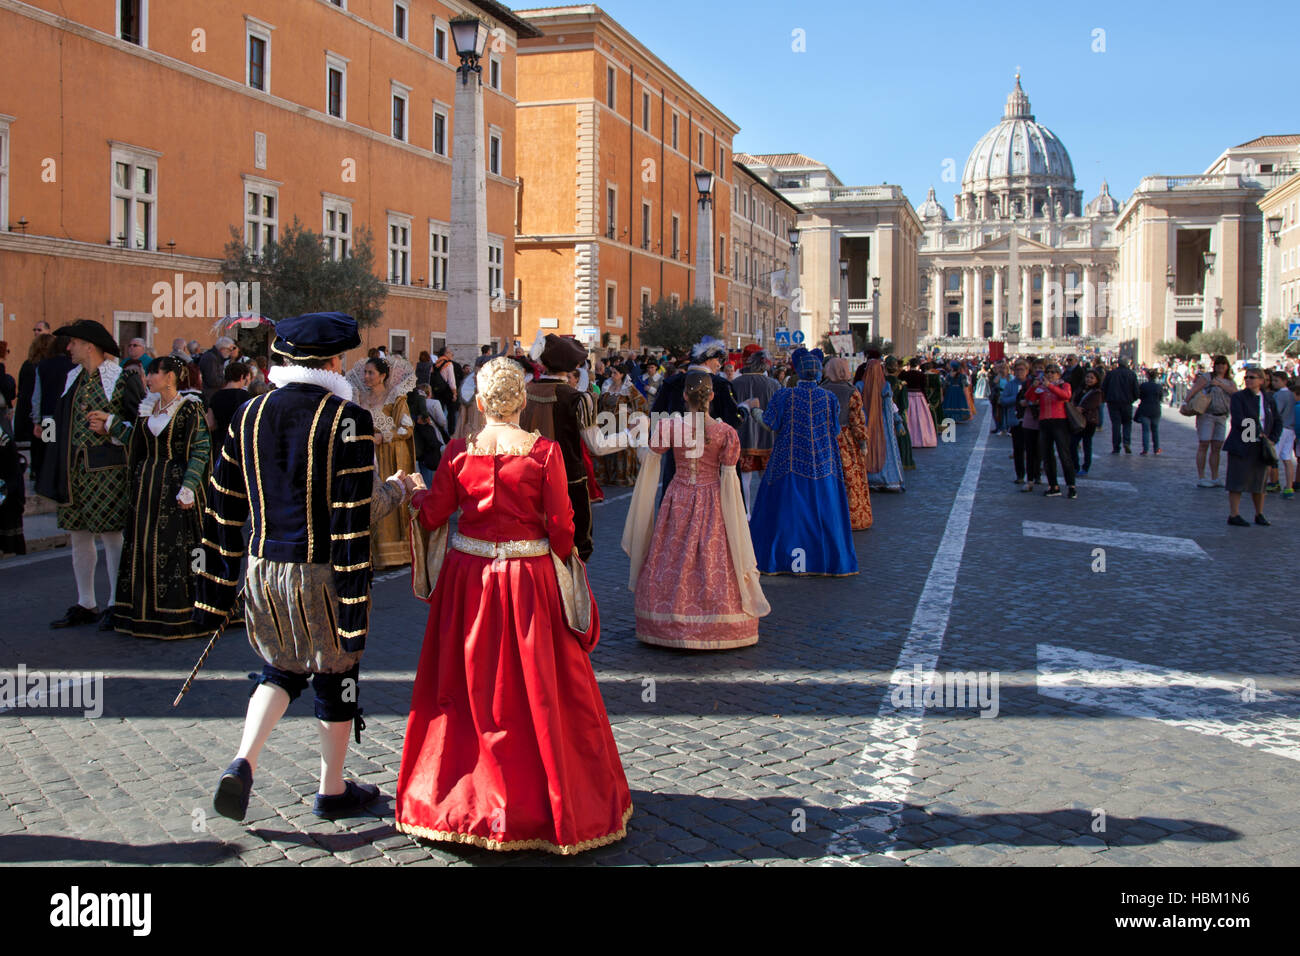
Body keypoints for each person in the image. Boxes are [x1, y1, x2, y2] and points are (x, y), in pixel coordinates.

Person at [396, 357, 632, 853]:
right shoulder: (544, 453)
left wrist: (413, 494)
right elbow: (563, 530)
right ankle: (543, 795)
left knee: (466, 684)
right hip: (529, 581)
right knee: (541, 686)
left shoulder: (460, 452)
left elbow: (435, 513)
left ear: (479, 404)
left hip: (470, 581)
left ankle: (467, 794)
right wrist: (557, 558)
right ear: (522, 401)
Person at [196, 312, 415, 822]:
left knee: (280, 667)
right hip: (324, 572)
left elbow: (223, 501)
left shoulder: (248, 414)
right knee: (337, 672)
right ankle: (331, 788)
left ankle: (242, 761)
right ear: (333, 362)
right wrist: (400, 489)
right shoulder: (349, 421)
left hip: (263, 566)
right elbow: (357, 510)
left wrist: (218, 581)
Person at [623, 370, 770, 649]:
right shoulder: (726, 432)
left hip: (677, 497)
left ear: (684, 396)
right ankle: (718, 621)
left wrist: (638, 435)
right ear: (712, 396)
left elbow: (649, 459)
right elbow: (730, 482)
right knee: (714, 557)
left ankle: (669, 621)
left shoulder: (670, 427)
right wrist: (736, 520)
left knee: (671, 556)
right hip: (713, 498)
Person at [38, 320, 146, 630]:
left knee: (112, 536)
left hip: (108, 470)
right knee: (78, 536)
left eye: (72, 343)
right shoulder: (72, 379)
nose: (68, 348)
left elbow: (139, 427)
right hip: (74, 472)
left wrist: (110, 423)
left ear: (90, 345)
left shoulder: (121, 379)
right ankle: (86, 602)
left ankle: (116, 603)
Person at [112, 356, 211, 639]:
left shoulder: (189, 408)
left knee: (174, 550)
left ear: (170, 377)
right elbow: (136, 444)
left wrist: (189, 486)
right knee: (143, 547)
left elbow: (200, 448)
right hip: (146, 490)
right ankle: (142, 613)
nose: (148, 378)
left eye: (154, 373)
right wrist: (111, 424)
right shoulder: (147, 408)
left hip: (173, 487)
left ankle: (178, 614)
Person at [520, 334, 632, 561]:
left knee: (532, 549)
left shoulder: (526, 392)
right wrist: (630, 436)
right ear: (572, 366)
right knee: (572, 553)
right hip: (566, 483)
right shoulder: (579, 399)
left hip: (527, 480)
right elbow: (597, 445)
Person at [748, 349, 857, 576]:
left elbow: (769, 423)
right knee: (825, 513)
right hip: (823, 462)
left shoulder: (784, 395)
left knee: (786, 513)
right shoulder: (829, 398)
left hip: (789, 461)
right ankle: (826, 560)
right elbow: (835, 429)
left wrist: (754, 409)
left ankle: (781, 559)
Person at [348, 355, 417, 570]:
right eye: (365, 372)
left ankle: (391, 555)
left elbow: (406, 428)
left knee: (386, 498)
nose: (366, 377)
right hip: (363, 454)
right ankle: (368, 553)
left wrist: (383, 437)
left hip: (388, 456)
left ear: (383, 376)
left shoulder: (396, 399)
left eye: (371, 373)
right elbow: (349, 425)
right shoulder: (357, 397)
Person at [1224, 368, 1281, 526]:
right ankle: (1234, 514)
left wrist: (1272, 439)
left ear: (1262, 381)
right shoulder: (1238, 397)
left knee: (1259, 481)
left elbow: (1277, 420)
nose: (1248, 380)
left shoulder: (1268, 398)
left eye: (1252, 377)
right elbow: (1238, 419)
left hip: (1261, 446)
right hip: (1242, 444)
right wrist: (1256, 432)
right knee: (1237, 480)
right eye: (1246, 377)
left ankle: (1259, 513)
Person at [824, 357, 872, 529]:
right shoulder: (851, 392)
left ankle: (827, 517)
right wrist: (863, 442)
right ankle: (851, 516)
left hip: (824, 438)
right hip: (845, 438)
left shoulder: (822, 389)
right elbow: (857, 420)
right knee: (850, 477)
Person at [731, 346, 781, 507]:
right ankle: (767, 510)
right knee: (766, 477)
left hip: (743, 436)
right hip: (768, 436)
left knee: (744, 477)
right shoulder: (774, 385)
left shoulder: (735, 383)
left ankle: (746, 512)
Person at [1027, 363, 1076, 498]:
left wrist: (1050, 386)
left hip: (1060, 422)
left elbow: (1066, 396)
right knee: (1047, 456)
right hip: (1044, 422)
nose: (1050, 374)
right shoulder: (1041, 388)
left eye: (1053, 372)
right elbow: (1030, 398)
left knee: (1064, 455)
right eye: (1048, 371)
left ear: (1059, 374)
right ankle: (1053, 485)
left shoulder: (1063, 385)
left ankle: (1071, 486)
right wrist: (1034, 386)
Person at [1187, 355, 1236, 488]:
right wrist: (1187, 402)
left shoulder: (1230, 382)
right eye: (1218, 364)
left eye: (1223, 364)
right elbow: (1194, 390)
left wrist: (1220, 384)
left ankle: (1215, 477)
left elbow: (1235, 393)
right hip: (1207, 415)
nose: (1221, 367)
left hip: (1222, 416)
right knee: (1204, 444)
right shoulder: (1207, 378)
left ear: (1227, 366)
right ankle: (1201, 476)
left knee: (1217, 447)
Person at [861, 357, 905, 493]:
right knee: (885, 449)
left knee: (868, 448)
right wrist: (898, 422)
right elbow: (890, 407)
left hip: (866, 423)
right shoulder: (884, 386)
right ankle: (887, 479)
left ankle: (869, 479)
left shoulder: (859, 386)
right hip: (883, 424)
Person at [205, 361, 252, 451]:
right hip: (240, 442)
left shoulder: (216, 396)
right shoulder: (245, 396)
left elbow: (210, 423)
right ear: (242, 376)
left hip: (221, 442)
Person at [1069, 369, 1103, 475]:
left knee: (1087, 444)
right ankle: (1075, 466)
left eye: (1092, 378)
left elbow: (1090, 405)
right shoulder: (1080, 389)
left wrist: (1079, 408)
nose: (1089, 379)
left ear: (1097, 380)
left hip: (1089, 421)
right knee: (1073, 443)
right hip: (1077, 419)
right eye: (1087, 377)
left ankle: (1085, 467)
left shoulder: (1097, 392)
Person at [885, 356, 916, 471]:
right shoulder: (900, 384)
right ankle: (903, 461)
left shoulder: (880, 382)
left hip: (883, 415)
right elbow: (904, 405)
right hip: (897, 415)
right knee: (902, 438)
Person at [1102, 357, 1138, 453]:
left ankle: (1116, 446)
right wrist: (1133, 399)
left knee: (1116, 424)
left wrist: (1106, 398)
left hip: (1113, 402)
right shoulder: (1132, 374)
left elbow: (1104, 387)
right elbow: (1136, 390)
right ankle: (1126, 442)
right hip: (1127, 402)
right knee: (1127, 423)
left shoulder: (1111, 374)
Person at [901, 358, 938, 447]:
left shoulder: (905, 374)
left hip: (908, 396)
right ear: (917, 365)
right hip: (919, 397)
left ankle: (909, 439)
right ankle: (921, 439)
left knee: (909, 418)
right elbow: (923, 388)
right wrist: (927, 401)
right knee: (921, 418)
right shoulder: (921, 375)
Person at [1270, 370, 1295, 499]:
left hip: (1281, 429)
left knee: (1271, 457)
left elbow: (1275, 413)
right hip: (1290, 429)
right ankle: (1289, 487)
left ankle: (1270, 482)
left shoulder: (1279, 395)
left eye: (1276, 381)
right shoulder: (1291, 395)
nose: (1274, 383)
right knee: (1287, 459)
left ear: (1284, 381)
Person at [1135, 367, 1164, 455]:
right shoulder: (1159, 386)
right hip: (1155, 409)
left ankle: (1145, 449)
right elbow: (1160, 398)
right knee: (1155, 430)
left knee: (1145, 430)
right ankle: (1156, 448)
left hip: (1145, 409)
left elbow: (1139, 396)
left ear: (1147, 376)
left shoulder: (1143, 386)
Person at [199, 336, 235, 402]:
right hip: (209, 396)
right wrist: (228, 381)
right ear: (222, 349)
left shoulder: (216, 357)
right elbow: (212, 380)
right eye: (230, 350)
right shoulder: (211, 358)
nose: (230, 353)